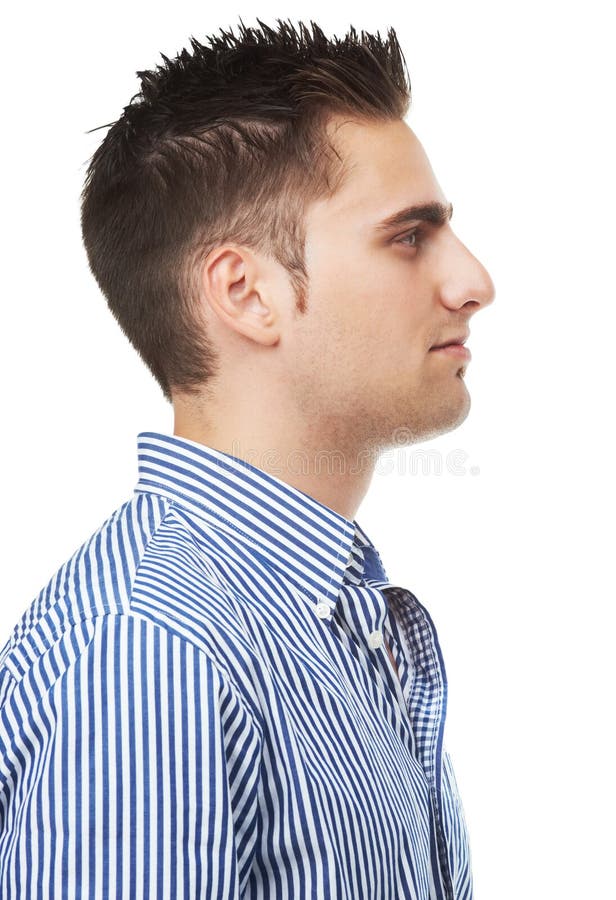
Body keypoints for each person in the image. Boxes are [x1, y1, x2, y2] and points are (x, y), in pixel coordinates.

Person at [0, 16, 494, 899]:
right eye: (408, 236)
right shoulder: (153, 655)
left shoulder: (327, 625)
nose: (472, 282)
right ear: (247, 293)